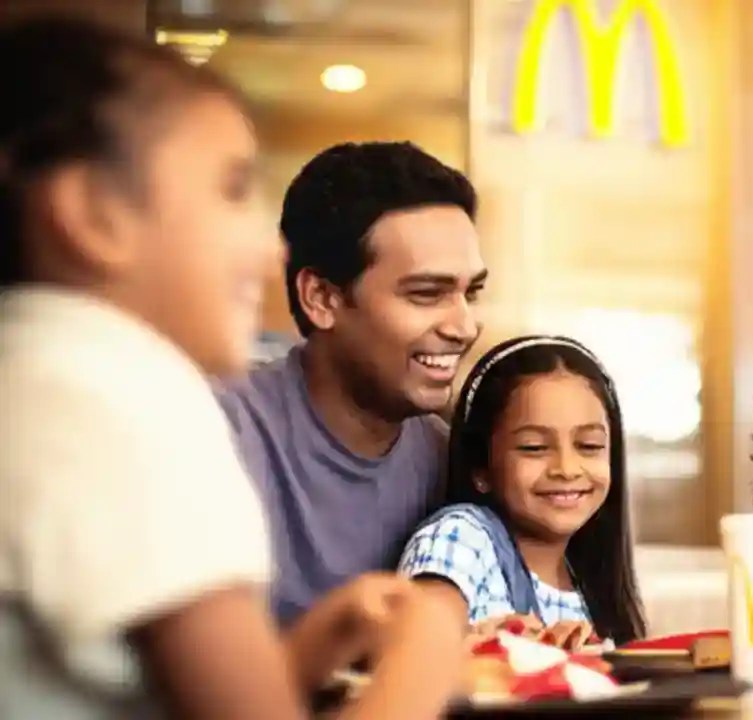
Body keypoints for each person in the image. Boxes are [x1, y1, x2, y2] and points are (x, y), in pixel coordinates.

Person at [0, 17, 460, 719]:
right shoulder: (125, 401)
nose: (269, 249)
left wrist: (311, 646)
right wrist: (428, 652)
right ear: (95, 214)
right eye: (233, 189)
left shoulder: (35, 380)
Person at [218, 141, 488, 626]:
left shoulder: (454, 465)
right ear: (321, 297)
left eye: (472, 292)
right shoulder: (219, 434)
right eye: (428, 294)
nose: (464, 326)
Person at [398, 336, 647, 649]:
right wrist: (492, 646)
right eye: (534, 448)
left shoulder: (588, 580)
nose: (567, 469)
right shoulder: (460, 537)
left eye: (589, 446)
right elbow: (413, 651)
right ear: (481, 468)